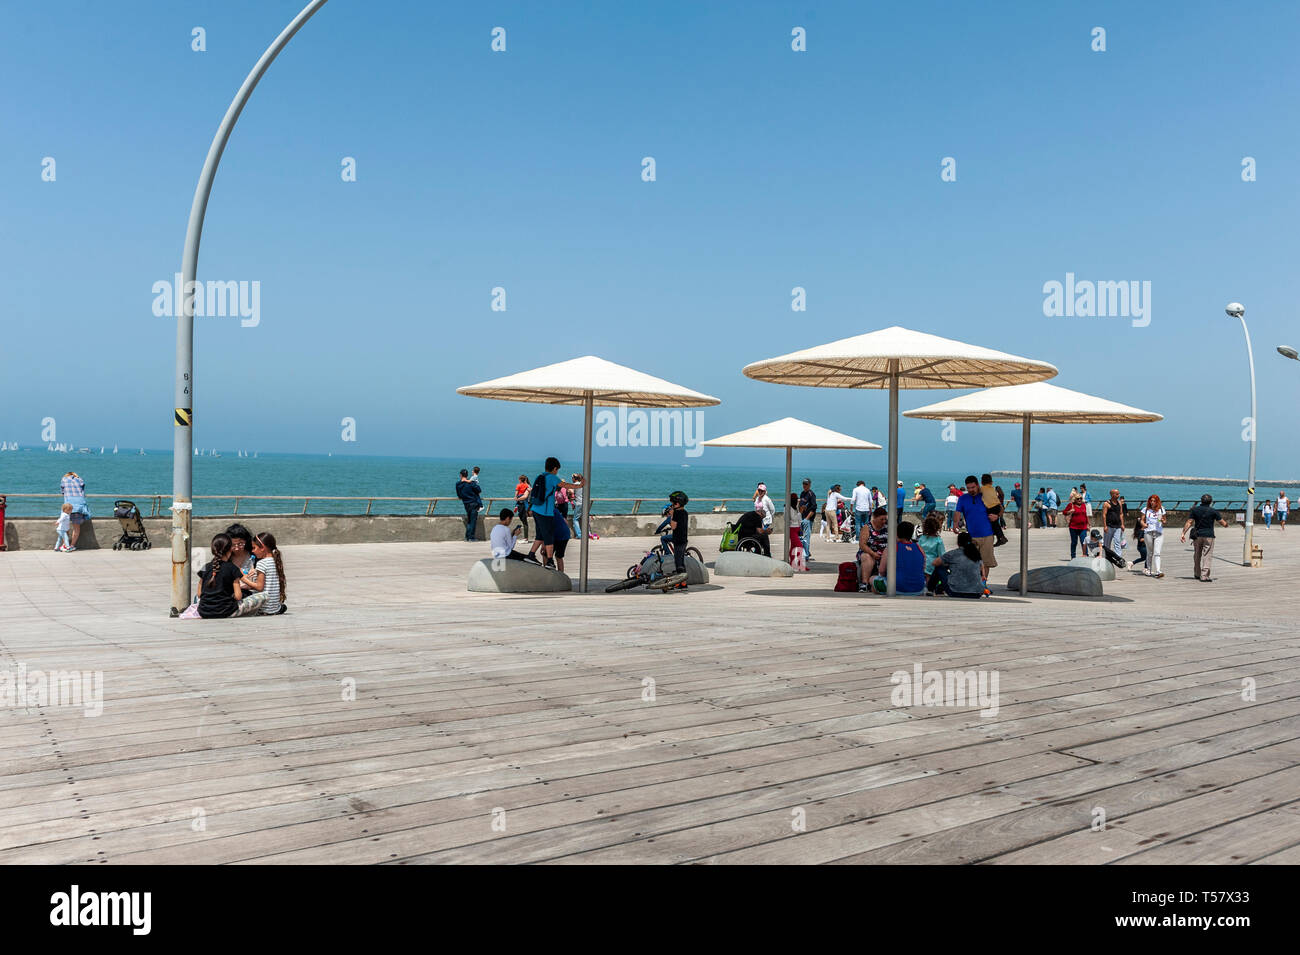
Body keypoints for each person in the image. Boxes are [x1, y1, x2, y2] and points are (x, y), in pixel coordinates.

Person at [524, 458, 583, 567]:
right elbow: (566, 486)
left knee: (540, 535)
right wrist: (579, 485)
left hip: (536, 510)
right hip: (545, 512)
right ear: (555, 468)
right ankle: (550, 561)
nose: (557, 472)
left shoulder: (540, 476)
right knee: (549, 536)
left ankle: (531, 555)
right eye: (557, 470)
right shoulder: (552, 478)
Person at [236, 531, 286, 616]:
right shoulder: (275, 561)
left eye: (254, 548)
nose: (253, 551)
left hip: (264, 608)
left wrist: (243, 578)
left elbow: (259, 587)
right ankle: (278, 608)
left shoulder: (261, 563)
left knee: (240, 595)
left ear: (262, 548)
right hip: (274, 607)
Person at [1181, 494, 1227, 582]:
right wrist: (1226, 525)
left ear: (1201, 501)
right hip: (1209, 536)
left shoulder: (1195, 510)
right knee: (1207, 555)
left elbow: (1189, 522)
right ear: (1211, 502)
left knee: (1197, 555)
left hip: (1197, 535)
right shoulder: (1213, 511)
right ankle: (1204, 575)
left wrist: (1183, 533)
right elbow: (1223, 523)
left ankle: (1197, 573)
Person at [956, 475, 997, 572]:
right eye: (968, 488)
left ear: (978, 485)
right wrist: (955, 524)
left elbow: (1000, 508)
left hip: (987, 535)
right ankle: (975, 584)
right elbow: (957, 512)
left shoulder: (985, 496)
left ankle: (983, 585)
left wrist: (997, 516)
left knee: (986, 563)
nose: (971, 490)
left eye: (973, 487)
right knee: (971, 562)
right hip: (971, 535)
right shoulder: (963, 498)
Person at [196, 533, 243, 619]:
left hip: (204, 612)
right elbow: (238, 596)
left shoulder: (205, 567)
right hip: (226, 611)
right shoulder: (233, 568)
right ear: (230, 549)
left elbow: (199, 594)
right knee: (263, 596)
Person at [875, 520, 927, 594]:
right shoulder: (920, 548)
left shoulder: (891, 548)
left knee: (873, 580)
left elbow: (882, 571)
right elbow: (923, 568)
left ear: (897, 533)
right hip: (918, 589)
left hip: (895, 588)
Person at [927, 532, 985, 598]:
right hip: (976, 593)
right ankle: (939, 589)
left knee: (940, 568)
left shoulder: (953, 554)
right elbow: (981, 568)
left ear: (958, 543)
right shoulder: (976, 555)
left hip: (955, 592)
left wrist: (947, 565)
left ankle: (931, 590)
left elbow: (935, 563)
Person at [856, 507, 890, 588]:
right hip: (870, 552)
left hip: (884, 553)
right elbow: (862, 545)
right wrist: (873, 553)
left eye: (885, 519)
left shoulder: (888, 527)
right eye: (881, 519)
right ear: (875, 518)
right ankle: (865, 583)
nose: (884, 521)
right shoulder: (867, 528)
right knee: (866, 557)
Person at [666, 490, 690, 590]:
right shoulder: (684, 512)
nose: (672, 505)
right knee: (681, 562)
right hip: (683, 539)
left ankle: (681, 583)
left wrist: (670, 516)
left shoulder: (677, 513)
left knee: (678, 563)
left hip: (678, 540)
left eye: (673, 503)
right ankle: (682, 583)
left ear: (678, 503)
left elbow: (673, 527)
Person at [59, 470, 89, 550]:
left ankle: (65, 545)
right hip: (79, 505)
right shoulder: (79, 479)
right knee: (76, 528)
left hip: (68, 506)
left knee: (64, 527)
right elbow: (83, 490)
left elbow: (62, 491)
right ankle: (72, 546)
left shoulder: (64, 479)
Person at [1141, 494, 1166, 578]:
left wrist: (1162, 520)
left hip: (1159, 532)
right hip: (1148, 532)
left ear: (1157, 501)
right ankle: (1148, 569)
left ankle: (1158, 570)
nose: (1152, 502)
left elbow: (1163, 520)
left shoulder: (1161, 509)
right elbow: (1142, 520)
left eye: (1154, 501)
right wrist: (1143, 524)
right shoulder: (1146, 509)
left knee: (1157, 552)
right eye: (1151, 501)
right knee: (1149, 552)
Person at [455, 469, 483, 542]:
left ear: (460, 475)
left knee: (469, 520)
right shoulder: (471, 483)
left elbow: (459, 495)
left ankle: (467, 537)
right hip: (473, 503)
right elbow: (479, 490)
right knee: (472, 520)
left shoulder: (458, 484)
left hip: (466, 503)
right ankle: (471, 537)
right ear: (467, 475)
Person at [981, 474, 1007, 546]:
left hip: (990, 507)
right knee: (995, 523)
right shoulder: (992, 489)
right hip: (998, 507)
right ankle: (1001, 537)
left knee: (990, 522)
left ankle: (998, 538)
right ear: (991, 482)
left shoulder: (982, 489)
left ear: (982, 482)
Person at [1062, 492, 1090, 558]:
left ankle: (1085, 555)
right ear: (1075, 499)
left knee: (1084, 542)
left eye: (1081, 498)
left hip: (1083, 527)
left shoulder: (1083, 505)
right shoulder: (1071, 505)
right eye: (1078, 499)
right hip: (1073, 527)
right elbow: (1064, 512)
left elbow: (1085, 515)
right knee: (1074, 542)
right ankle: (1073, 556)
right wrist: (1069, 511)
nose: (1079, 500)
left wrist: (1088, 524)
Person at [1100, 489, 1126, 555]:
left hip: (1118, 526)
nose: (1118, 495)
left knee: (1117, 542)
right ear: (1112, 495)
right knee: (1107, 543)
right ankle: (1106, 555)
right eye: (1117, 494)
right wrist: (1105, 526)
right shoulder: (1107, 504)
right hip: (1109, 526)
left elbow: (1121, 513)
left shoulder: (1119, 503)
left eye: (1119, 494)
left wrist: (1122, 524)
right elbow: (1104, 515)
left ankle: (1118, 556)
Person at [753, 482, 776, 554]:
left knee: (763, 535)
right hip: (759, 520)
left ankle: (765, 551)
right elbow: (756, 508)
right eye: (759, 490)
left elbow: (773, 510)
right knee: (760, 535)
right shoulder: (757, 499)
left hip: (766, 521)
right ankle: (760, 549)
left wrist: (768, 517)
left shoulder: (767, 499)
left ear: (765, 491)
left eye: (762, 491)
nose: (760, 492)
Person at [798, 479, 817, 561]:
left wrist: (807, 518)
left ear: (809, 485)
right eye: (803, 484)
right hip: (801, 518)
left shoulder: (811, 494)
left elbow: (814, 508)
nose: (804, 485)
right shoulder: (802, 493)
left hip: (807, 519)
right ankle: (806, 552)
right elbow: (800, 505)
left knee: (806, 537)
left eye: (806, 484)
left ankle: (805, 556)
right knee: (801, 538)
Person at [514, 474, 532, 541]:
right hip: (523, 504)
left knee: (524, 521)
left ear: (520, 480)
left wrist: (516, 498)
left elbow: (518, 493)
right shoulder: (527, 486)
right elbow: (530, 489)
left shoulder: (519, 485)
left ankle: (526, 538)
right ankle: (525, 537)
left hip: (523, 505)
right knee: (523, 519)